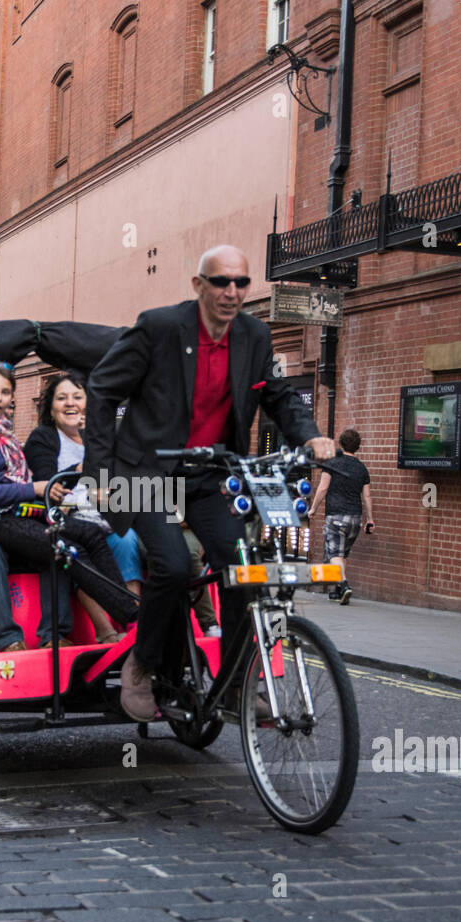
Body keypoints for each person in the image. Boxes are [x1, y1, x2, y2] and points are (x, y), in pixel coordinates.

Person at [83, 244, 336, 720]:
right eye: (221, 282)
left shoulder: (254, 336)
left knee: (244, 567)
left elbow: (278, 396)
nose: (232, 292)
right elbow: (101, 389)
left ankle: (238, 681)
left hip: (208, 475)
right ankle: (143, 664)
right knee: (175, 566)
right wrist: (99, 474)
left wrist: (313, 437)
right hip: (145, 474)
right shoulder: (159, 327)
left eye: (241, 282)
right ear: (199, 285)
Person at [0, 364, 138, 652]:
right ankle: (129, 617)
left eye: (5, 392)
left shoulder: (2, 432)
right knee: (64, 547)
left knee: (91, 534)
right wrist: (37, 489)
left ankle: (130, 616)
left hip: (19, 512)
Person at [24, 371, 145, 644]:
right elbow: (47, 484)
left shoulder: (102, 437)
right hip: (68, 513)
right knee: (80, 545)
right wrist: (79, 467)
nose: (70, 404)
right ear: (51, 407)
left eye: (78, 397)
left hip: (106, 511)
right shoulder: (42, 437)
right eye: (62, 398)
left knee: (127, 540)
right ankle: (105, 630)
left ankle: (135, 620)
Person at [308, 427, 374, 605]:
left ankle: (343, 585)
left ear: (341, 444)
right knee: (342, 555)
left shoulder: (332, 463)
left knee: (335, 553)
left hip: (336, 515)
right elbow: (366, 496)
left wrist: (313, 508)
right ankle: (337, 591)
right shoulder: (362, 468)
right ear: (357, 447)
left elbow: (323, 488)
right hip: (355, 518)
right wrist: (370, 519)